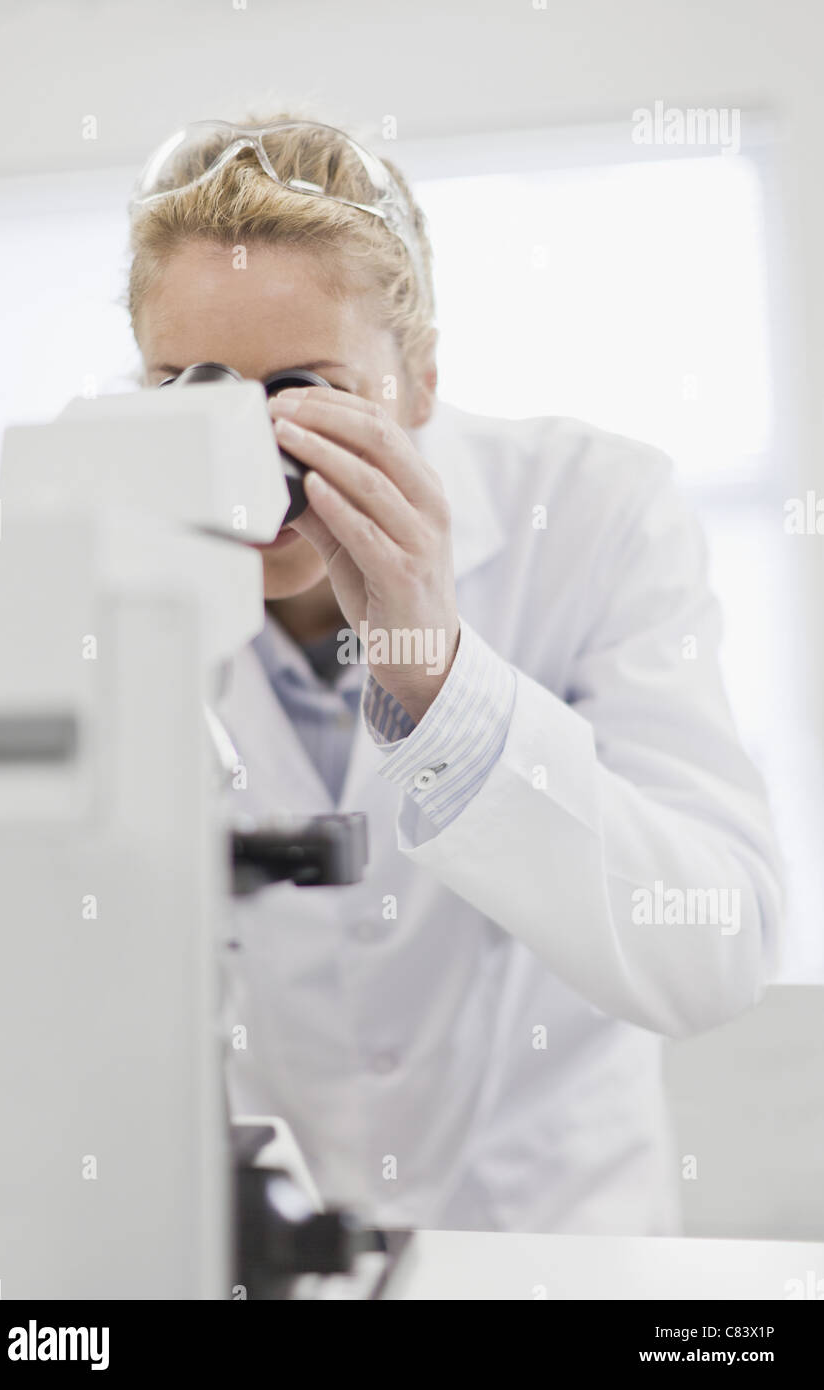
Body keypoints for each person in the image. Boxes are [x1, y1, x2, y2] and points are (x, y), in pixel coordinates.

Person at [126, 114, 782, 1235]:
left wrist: (442, 684)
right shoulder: (107, 580)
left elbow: (711, 948)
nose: (244, 447)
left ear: (418, 383)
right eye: (189, 386)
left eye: (299, 387)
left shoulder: (590, 512)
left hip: (551, 1240)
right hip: (269, 1244)